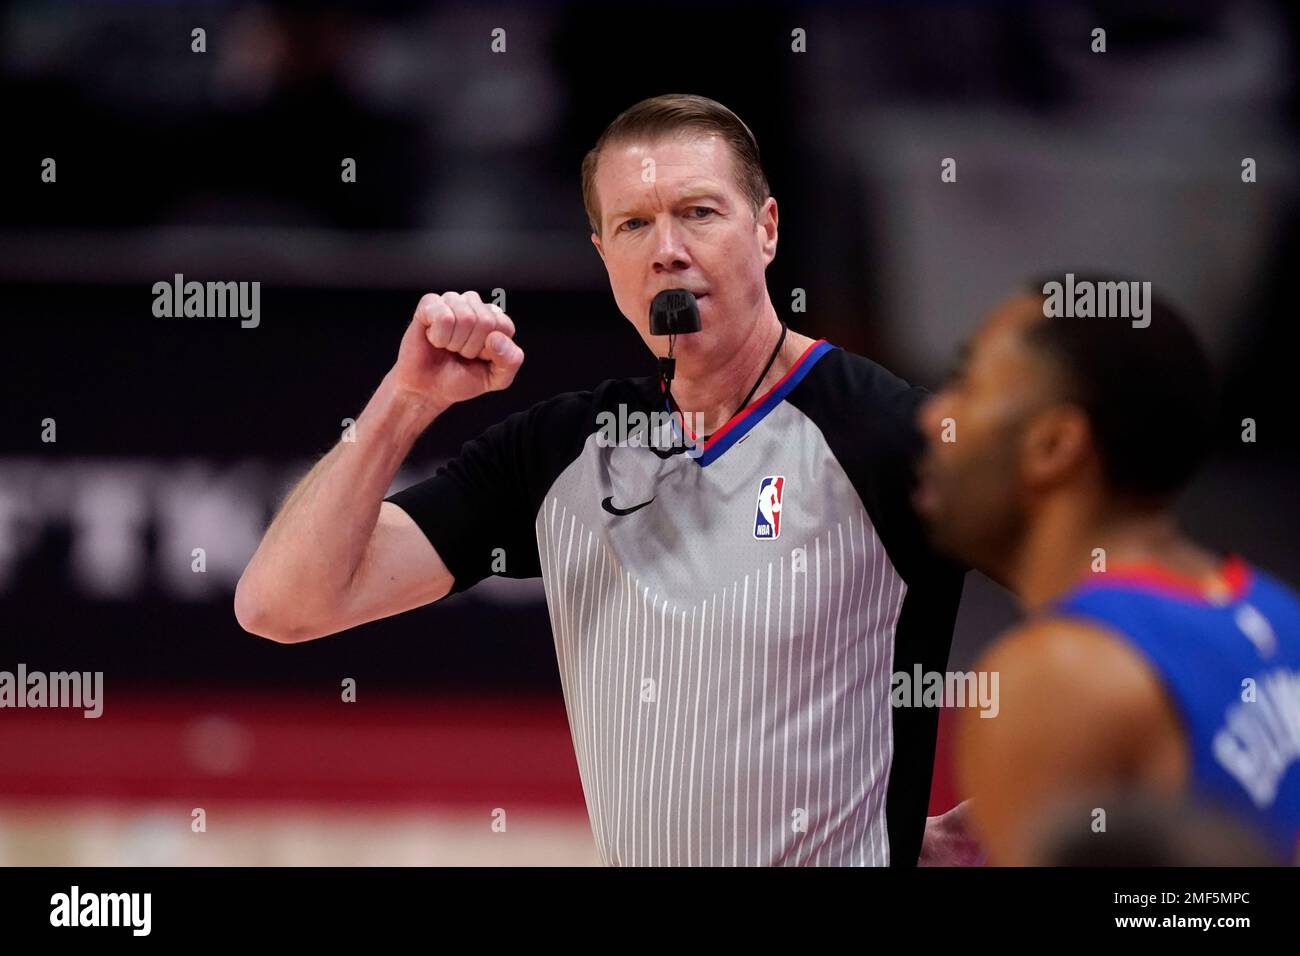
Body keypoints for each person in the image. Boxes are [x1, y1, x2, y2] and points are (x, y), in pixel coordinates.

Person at [236, 93, 965, 866]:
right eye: (634, 224)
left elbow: (1101, 594)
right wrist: (404, 402)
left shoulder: (887, 435)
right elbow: (282, 607)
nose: (667, 250)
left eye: (699, 212)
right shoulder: (560, 453)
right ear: (604, 256)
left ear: (767, 229)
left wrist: (1012, 815)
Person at [914, 280, 1300, 865]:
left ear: (1055, 445)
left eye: (966, 387)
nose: (932, 416)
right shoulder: (1273, 612)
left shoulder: (1056, 679)